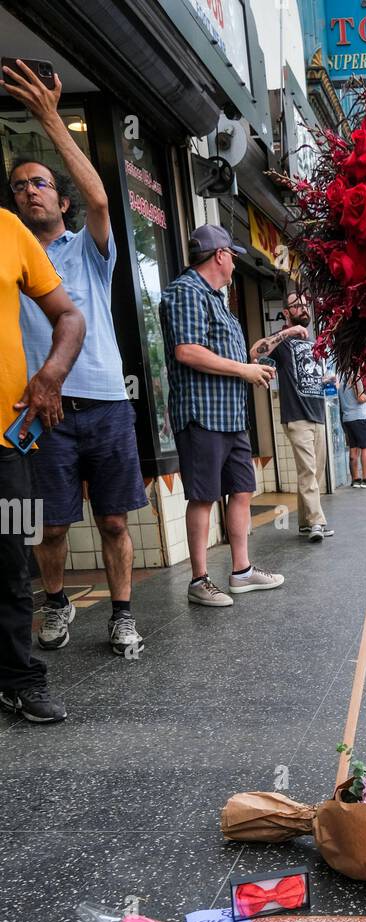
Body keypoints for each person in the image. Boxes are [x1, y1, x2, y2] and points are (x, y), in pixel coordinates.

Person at [3, 58, 148, 656]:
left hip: (107, 402)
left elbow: (99, 197)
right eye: (18, 186)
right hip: (39, 410)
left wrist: (50, 118)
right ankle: (58, 604)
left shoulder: (88, 250)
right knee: (48, 525)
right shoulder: (9, 253)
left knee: (114, 520)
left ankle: (121, 613)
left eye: (39, 183)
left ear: (60, 201)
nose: (28, 190)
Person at [159, 225, 284, 605]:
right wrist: (244, 371)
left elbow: (220, 357)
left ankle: (242, 571)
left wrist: (251, 357)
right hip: (202, 415)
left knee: (242, 489)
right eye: (233, 255)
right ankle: (199, 580)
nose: (234, 262)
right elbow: (187, 352)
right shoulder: (185, 292)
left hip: (230, 414)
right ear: (220, 255)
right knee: (202, 496)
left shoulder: (217, 299)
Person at [0, 205, 84, 722]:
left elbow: (70, 316)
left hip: (8, 448)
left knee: (13, 563)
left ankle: (19, 680)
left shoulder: (9, 228)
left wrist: (49, 376)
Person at [250, 290, 333, 543]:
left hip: (318, 413)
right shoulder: (282, 342)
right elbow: (254, 352)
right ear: (286, 312)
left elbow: (314, 375)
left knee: (315, 473)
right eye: (297, 306)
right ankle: (318, 523)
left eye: (306, 305)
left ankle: (305, 523)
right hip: (296, 416)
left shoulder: (313, 342)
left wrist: (328, 380)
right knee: (308, 471)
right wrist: (286, 332)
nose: (303, 309)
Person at [338, 377, 366, 488]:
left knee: (353, 449)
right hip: (359, 418)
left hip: (347, 419)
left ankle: (355, 479)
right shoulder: (356, 378)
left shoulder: (341, 380)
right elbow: (360, 398)